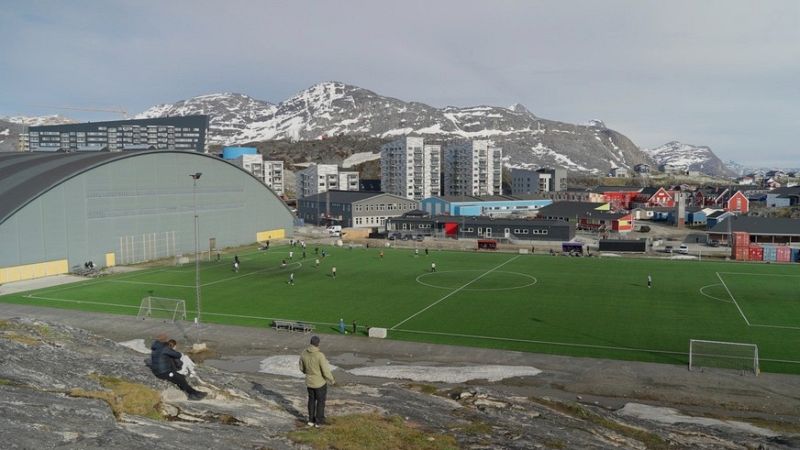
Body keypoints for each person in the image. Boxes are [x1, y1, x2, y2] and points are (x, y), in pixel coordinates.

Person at [150, 335, 206, 400]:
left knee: (179, 378)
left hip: (158, 371)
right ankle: (194, 394)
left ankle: (193, 393)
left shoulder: (155, 348)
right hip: (164, 372)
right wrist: (171, 350)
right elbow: (178, 355)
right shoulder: (165, 348)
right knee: (181, 379)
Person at [299, 336, 335, 427]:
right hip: (319, 383)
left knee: (311, 400)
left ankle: (311, 420)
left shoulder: (304, 353)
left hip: (309, 382)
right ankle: (319, 421)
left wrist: (307, 372)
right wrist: (331, 380)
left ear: (310, 342)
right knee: (320, 401)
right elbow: (325, 371)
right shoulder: (320, 355)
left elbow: (301, 368)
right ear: (318, 343)